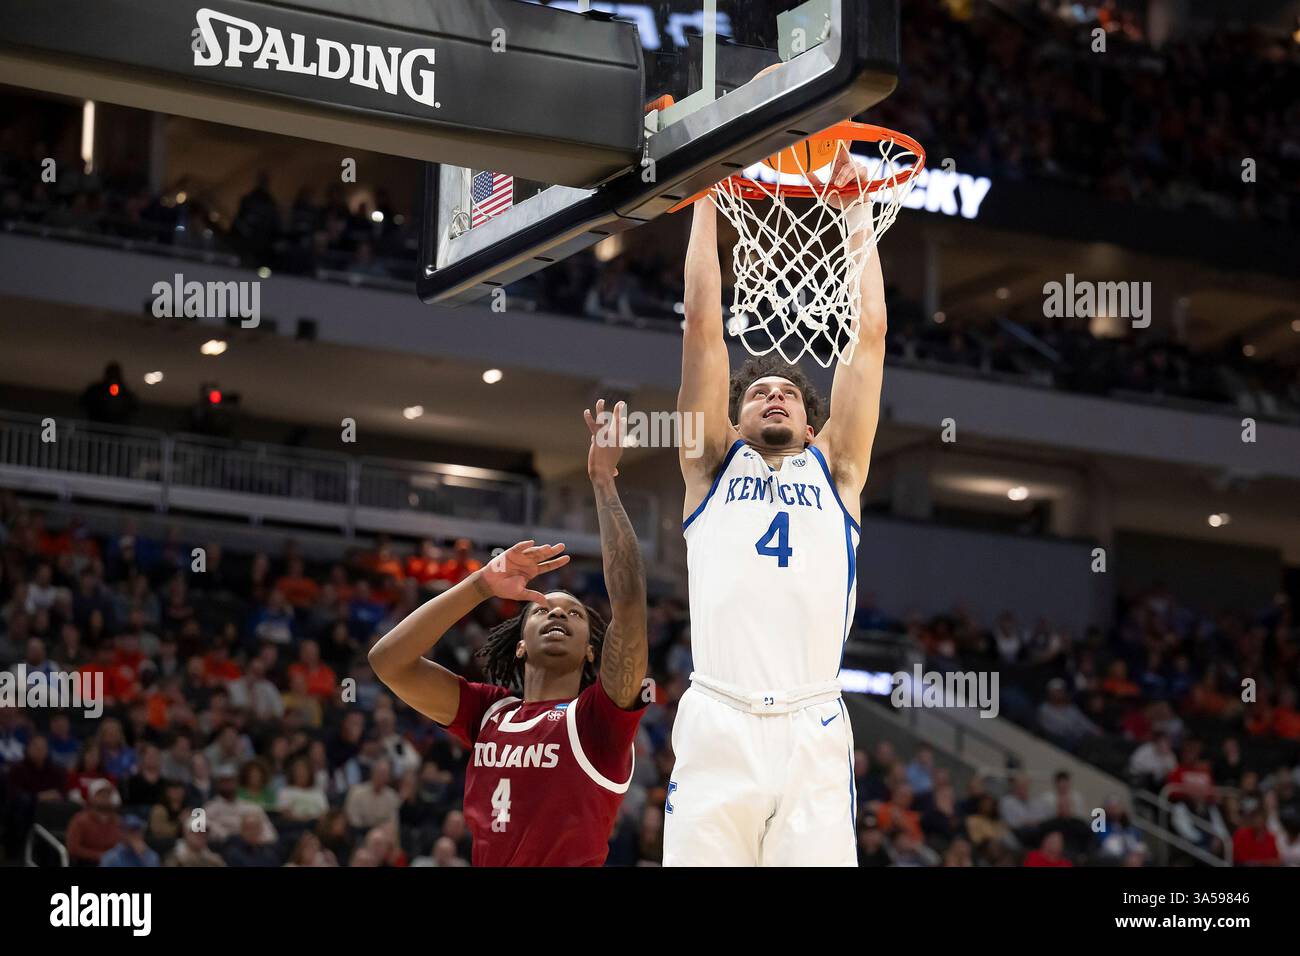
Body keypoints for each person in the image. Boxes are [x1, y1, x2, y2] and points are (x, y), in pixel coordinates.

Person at [668, 157, 887, 866]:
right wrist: (704, 199)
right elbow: (702, 326)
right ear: (733, 420)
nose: (773, 395)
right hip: (717, 716)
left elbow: (870, 335)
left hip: (813, 723)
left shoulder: (839, 469)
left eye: (788, 393)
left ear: (811, 421)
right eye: (757, 391)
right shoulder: (709, 464)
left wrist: (856, 211)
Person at [369, 400, 648, 866]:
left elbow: (630, 605)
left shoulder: (599, 719)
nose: (558, 615)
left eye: (575, 615)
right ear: (520, 643)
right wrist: (479, 585)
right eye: (541, 609)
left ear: (591, 654)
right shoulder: (488, 712)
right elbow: (387, 662)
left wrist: (603, 482)